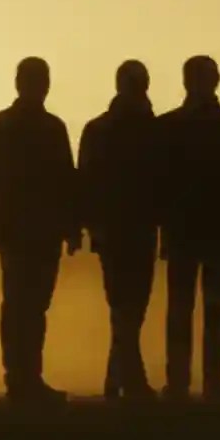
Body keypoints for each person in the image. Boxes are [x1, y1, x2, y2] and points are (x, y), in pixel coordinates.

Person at [0, 57, 82, 404]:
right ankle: (27, 378)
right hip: (40, 231)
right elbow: (66, 179)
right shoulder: (51, 128)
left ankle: (20, 377)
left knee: (20, 305)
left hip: (19, 231)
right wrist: (71, 227)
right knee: (32, 307)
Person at [158, 55, 220, 401]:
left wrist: (165, 221)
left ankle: (178, 382)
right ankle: (214, 380)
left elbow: (155, 181)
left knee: (180, 308)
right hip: (218, 231)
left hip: (182, 230)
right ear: (217, 80)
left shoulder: (167, 126)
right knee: (216, 306)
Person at [77, 60, 160, 403]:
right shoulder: (154, 130)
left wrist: (85, 224)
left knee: (120, 305)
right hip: (139, 227)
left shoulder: (97, 128)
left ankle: (116, 376)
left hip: (109, 230)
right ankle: (130, 379)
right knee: (133, 306)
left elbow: (84, 181)